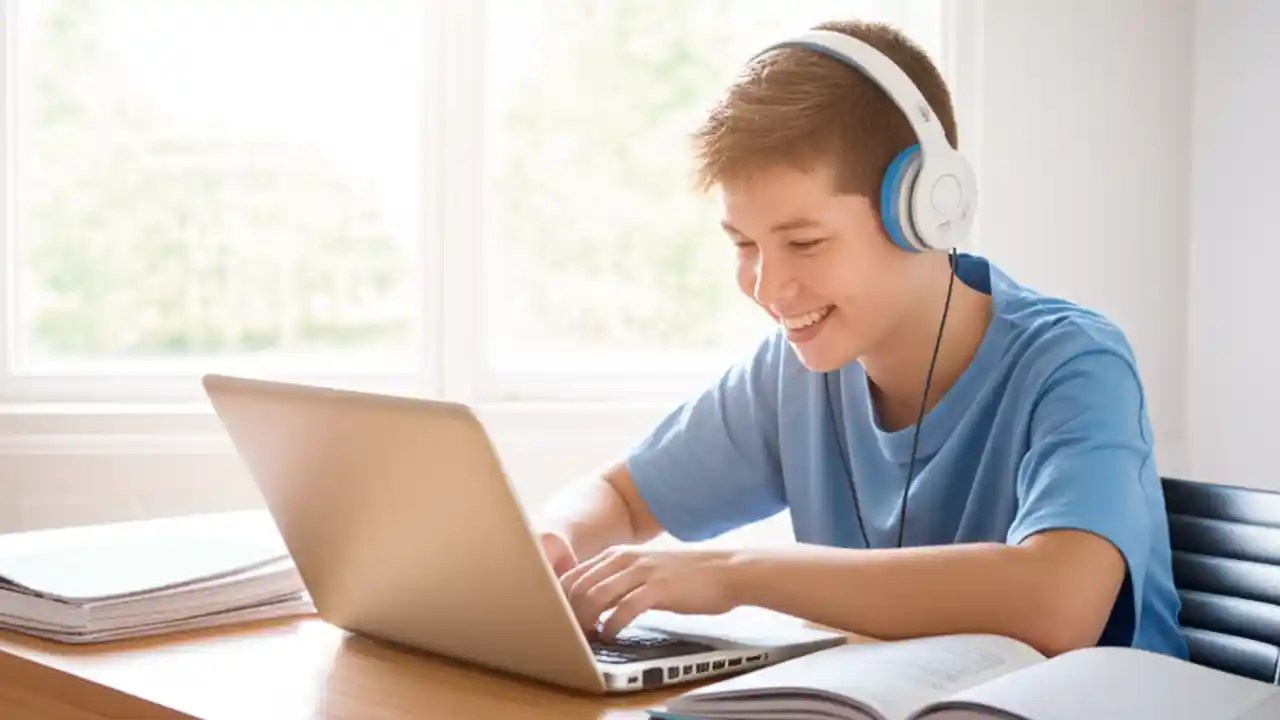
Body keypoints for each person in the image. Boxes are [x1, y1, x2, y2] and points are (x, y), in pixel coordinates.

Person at [535, 19, 1187, 659]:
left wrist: (735, 574)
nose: (767, 287)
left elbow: (1059, 606)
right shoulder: (791, 374)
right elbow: (622, 500)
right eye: (744, 244)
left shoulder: (1075, 365)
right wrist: (553, 540)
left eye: (804, 243)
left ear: (925, 211)